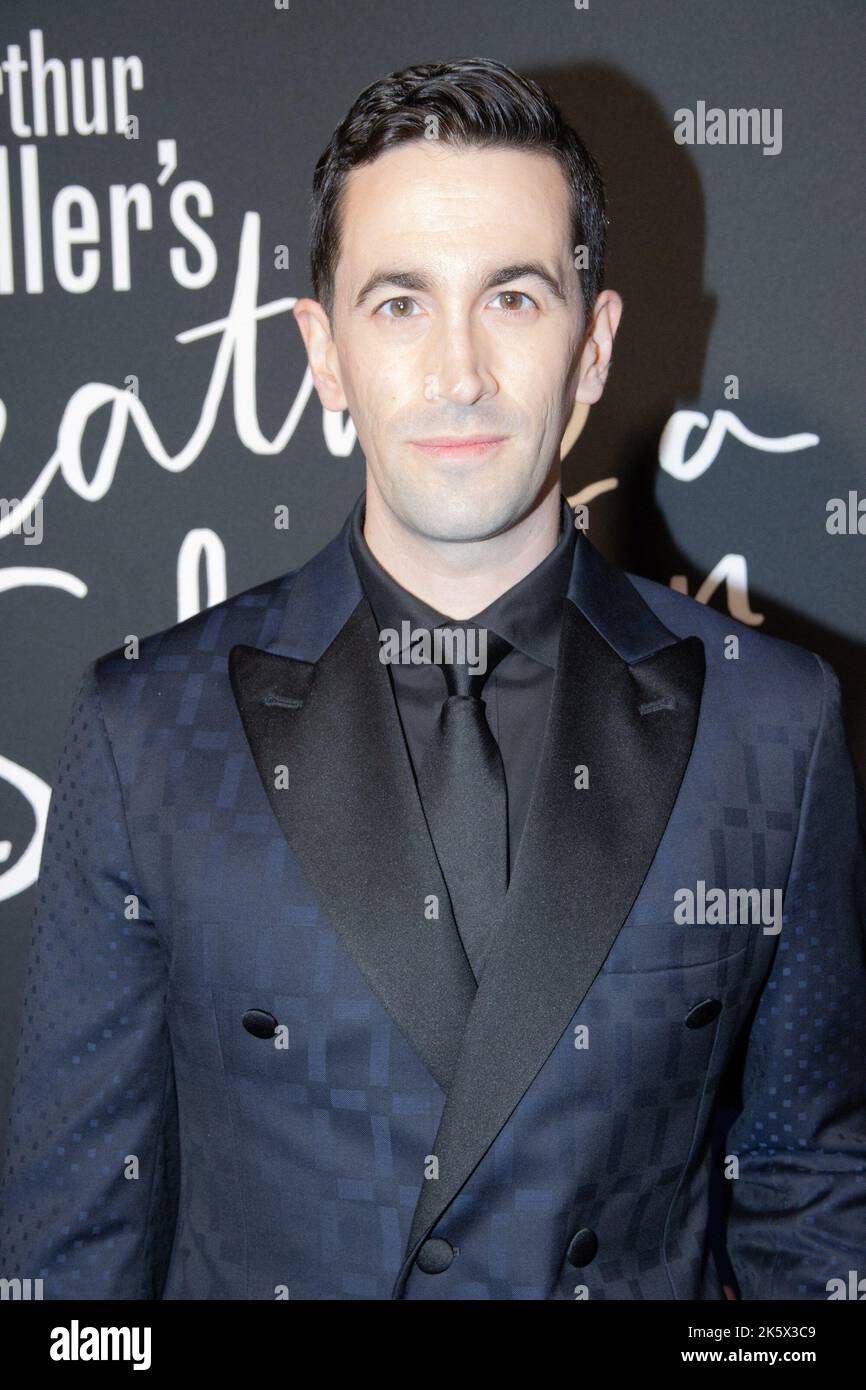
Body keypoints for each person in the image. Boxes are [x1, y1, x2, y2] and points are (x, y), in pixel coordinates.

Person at [2, 57, 865, 1302]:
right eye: (399, 304)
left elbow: (806, 1204)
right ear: (323, 350)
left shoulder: (770, 729)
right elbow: (72, 1268)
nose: (457, 372)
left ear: (592, 343)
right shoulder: (149, 730)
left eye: (511, 298)